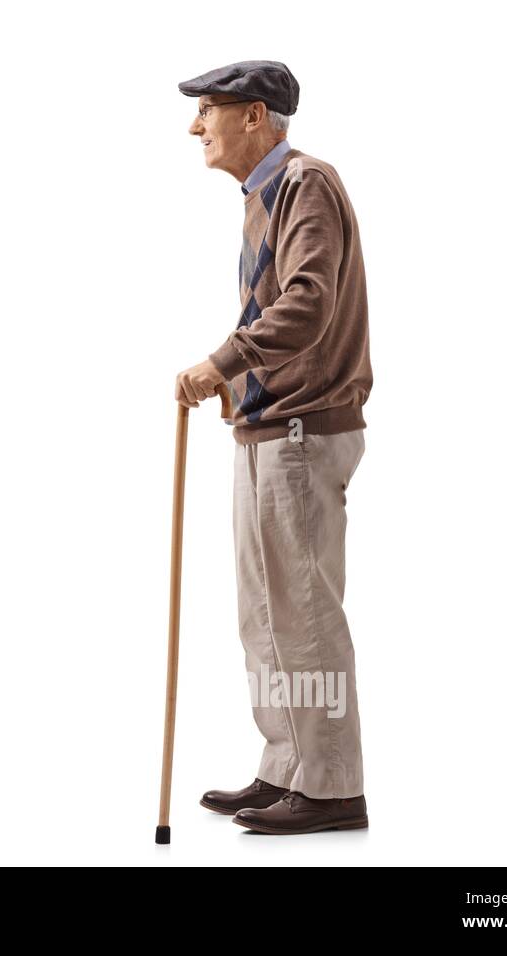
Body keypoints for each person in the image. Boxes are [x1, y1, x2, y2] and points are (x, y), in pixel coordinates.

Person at [172, 60, 374, 835]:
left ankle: (330, 784)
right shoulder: (266, 196)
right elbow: (287, 308)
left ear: (256, 116)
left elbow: (307, 302)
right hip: (268, 425)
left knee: (305, 613)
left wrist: (223, 361)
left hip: (302, 431)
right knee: (265, 612)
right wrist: (241, 389)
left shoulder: (304, 184)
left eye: (209, 112)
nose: (197, 128)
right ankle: (286, 765)